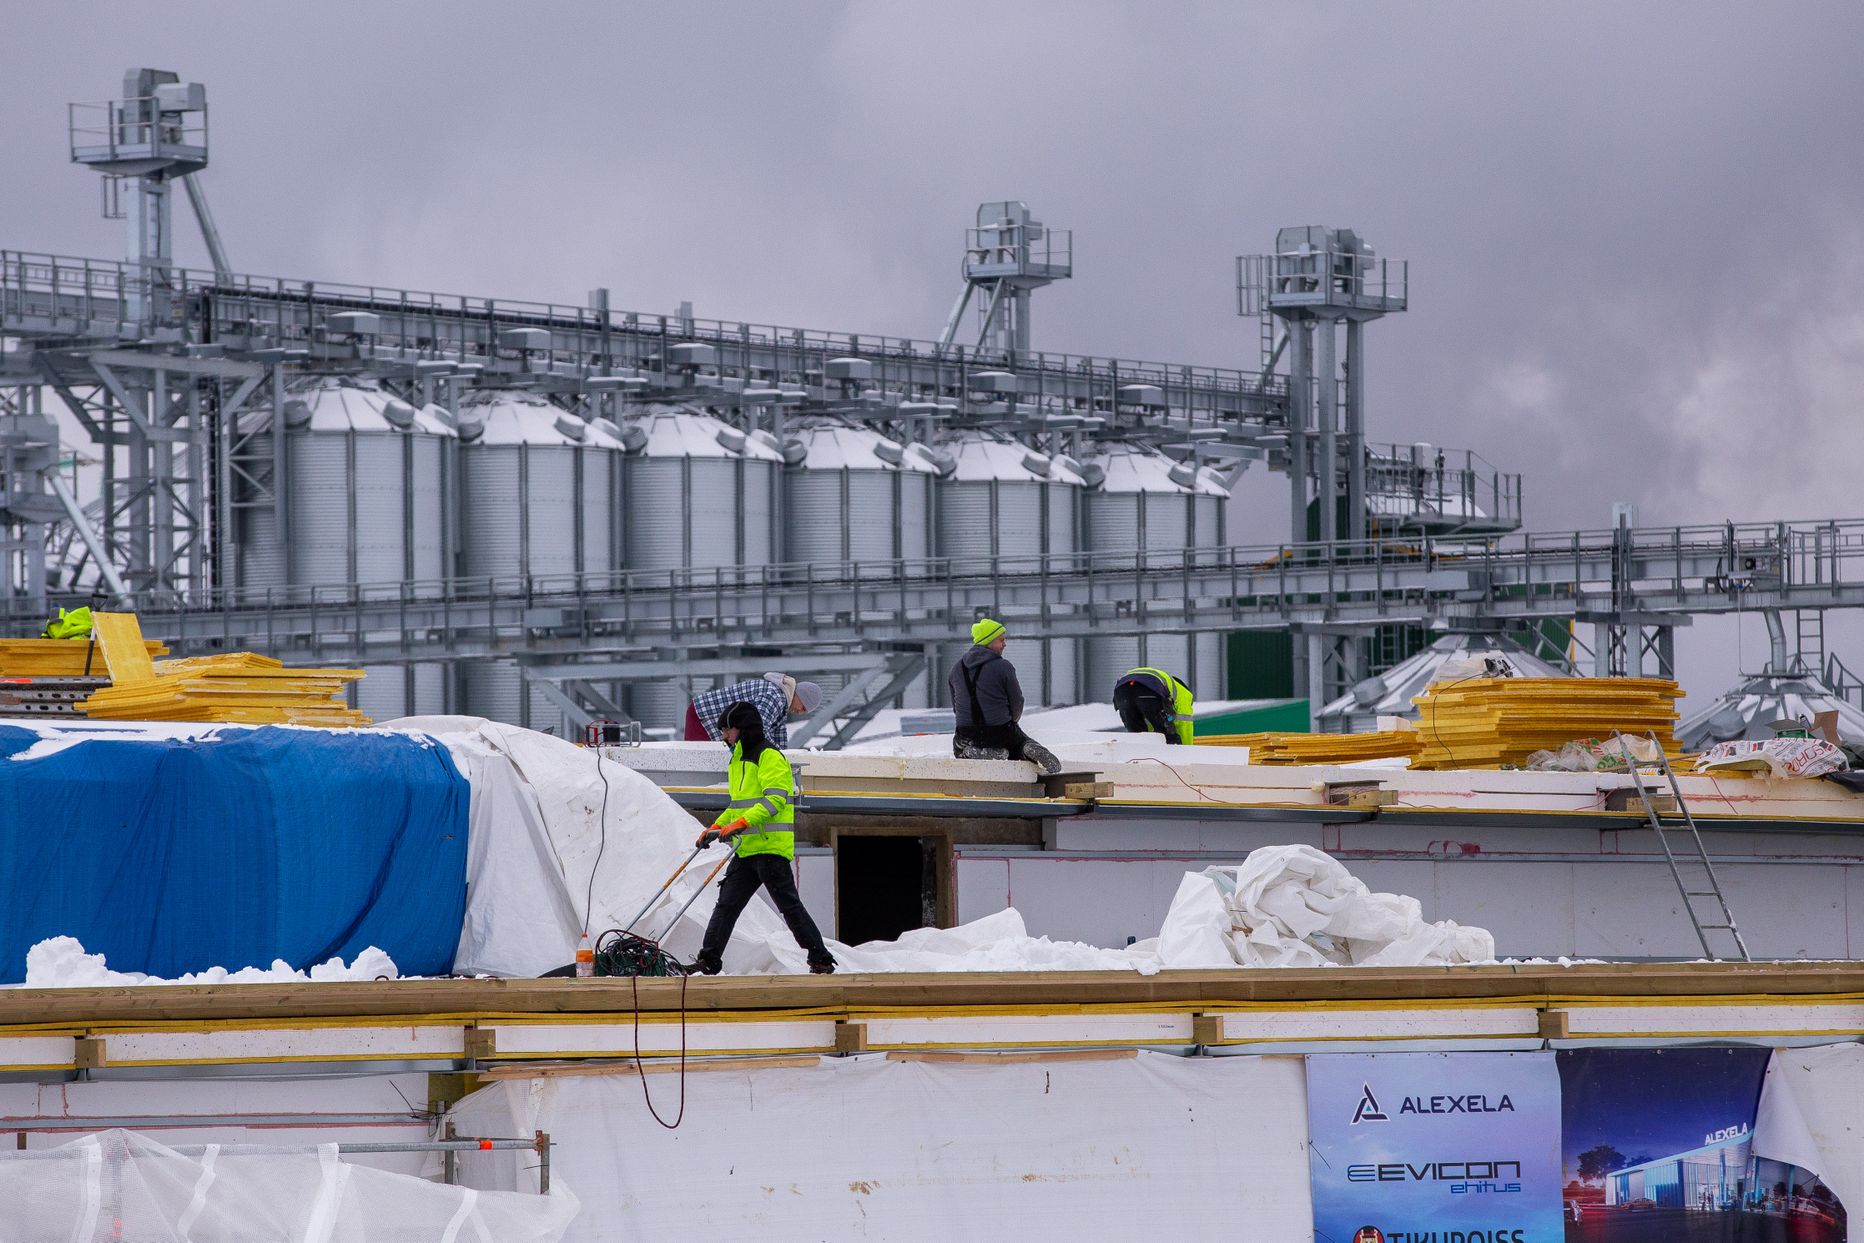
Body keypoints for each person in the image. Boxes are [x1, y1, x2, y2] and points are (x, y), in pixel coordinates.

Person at [688, 701, 836, 976]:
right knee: (727, 905)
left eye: (726, 730)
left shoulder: (768, 756)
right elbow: (738, 805)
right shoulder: (738, 761)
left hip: (769, 848)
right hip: (748, 850)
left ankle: (821, 959)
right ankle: (708, 961)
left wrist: (742, 823)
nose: (723, 737)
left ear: (741, 729)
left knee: (789, 906)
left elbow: (775, 800)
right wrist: (715, 827)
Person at [949, 618, 1061, 774]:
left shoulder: (956, 669)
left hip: (967, 733)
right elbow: (1017, 702)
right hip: (1000, 732)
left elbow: (956, 707)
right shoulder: (1003, 667)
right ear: (988, 642)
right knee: (1019, 743)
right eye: (1001, 640)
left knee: (959, 748)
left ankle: (973, 753)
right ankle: (1025, 749)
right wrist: (1011, 722)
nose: (1005, 644)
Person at [685, 672, 822, 745]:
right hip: (703, 715)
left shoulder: (781, 702)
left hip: (716, 721)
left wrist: (782, 758)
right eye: (803, 708)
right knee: (697, 760)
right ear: (799, 696)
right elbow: (758, 729)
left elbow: (777, 737)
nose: (799, 712)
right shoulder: (775, 696)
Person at [1112, 667, 1195, 744]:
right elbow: (1184, 725)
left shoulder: (1170, 686)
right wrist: (1187, 751)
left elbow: (1151, 719)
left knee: (1137, 737)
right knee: (1168, 737)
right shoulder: (1185, 695)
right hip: (1148, 689)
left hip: (1122, 690)